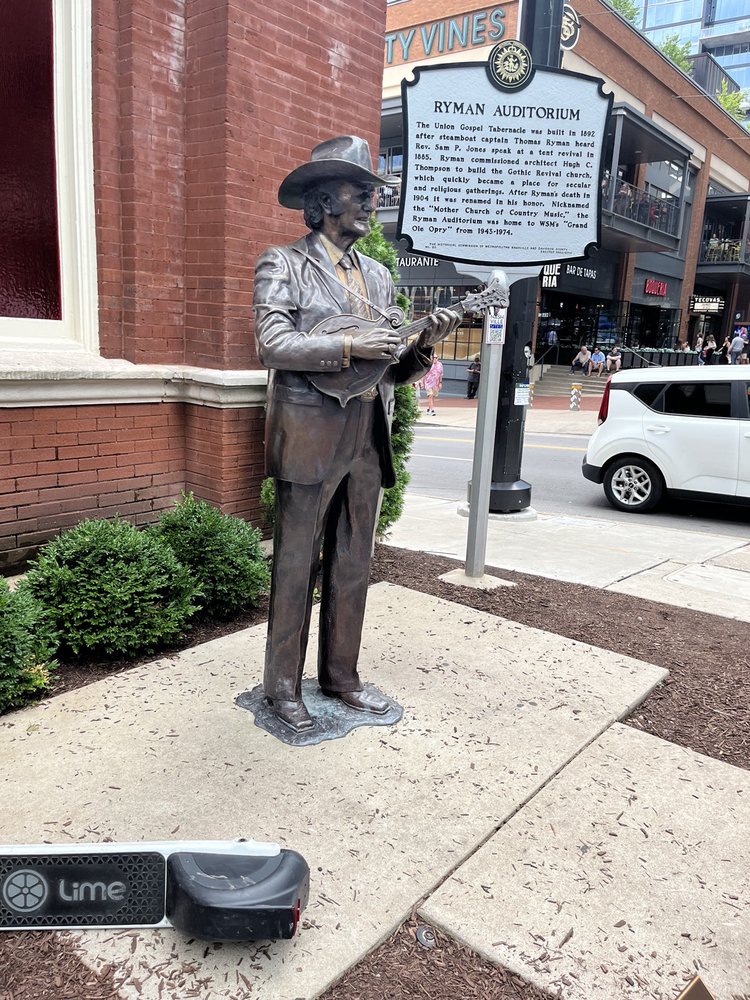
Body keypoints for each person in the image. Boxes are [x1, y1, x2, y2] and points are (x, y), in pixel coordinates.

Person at [253, 136, 460, 733]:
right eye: (359, 190)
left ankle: (341, 677)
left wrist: (421, 347)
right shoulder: (283, 263)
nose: (372, 199)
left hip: (367, 434)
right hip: (310, 434)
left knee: (352, 560)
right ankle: (282, 688)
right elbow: (272, 345)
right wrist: (346, 342)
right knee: (296, 563)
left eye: (373, 191)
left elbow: (388, 364)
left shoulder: (377, 275)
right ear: (321, 202)